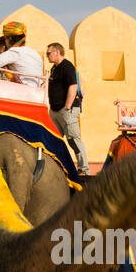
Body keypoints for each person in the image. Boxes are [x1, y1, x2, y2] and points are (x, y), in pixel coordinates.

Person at [46, 42, 91, 176]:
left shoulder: (67, 66)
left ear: (57, 52)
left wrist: (67, 107)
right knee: (53, 139)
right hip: (54, 111)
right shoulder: (54, 68)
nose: (47, 56)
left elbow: (73, 87)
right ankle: (56, 167)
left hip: (66, 110)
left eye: (49, 53)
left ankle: (84, 170)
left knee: (73, 139)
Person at [0, 20, 44, 88]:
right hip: (38, 90)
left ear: (9, 38)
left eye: (5, 38)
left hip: (24, 90)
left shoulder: (14, 52)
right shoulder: (34, 52)